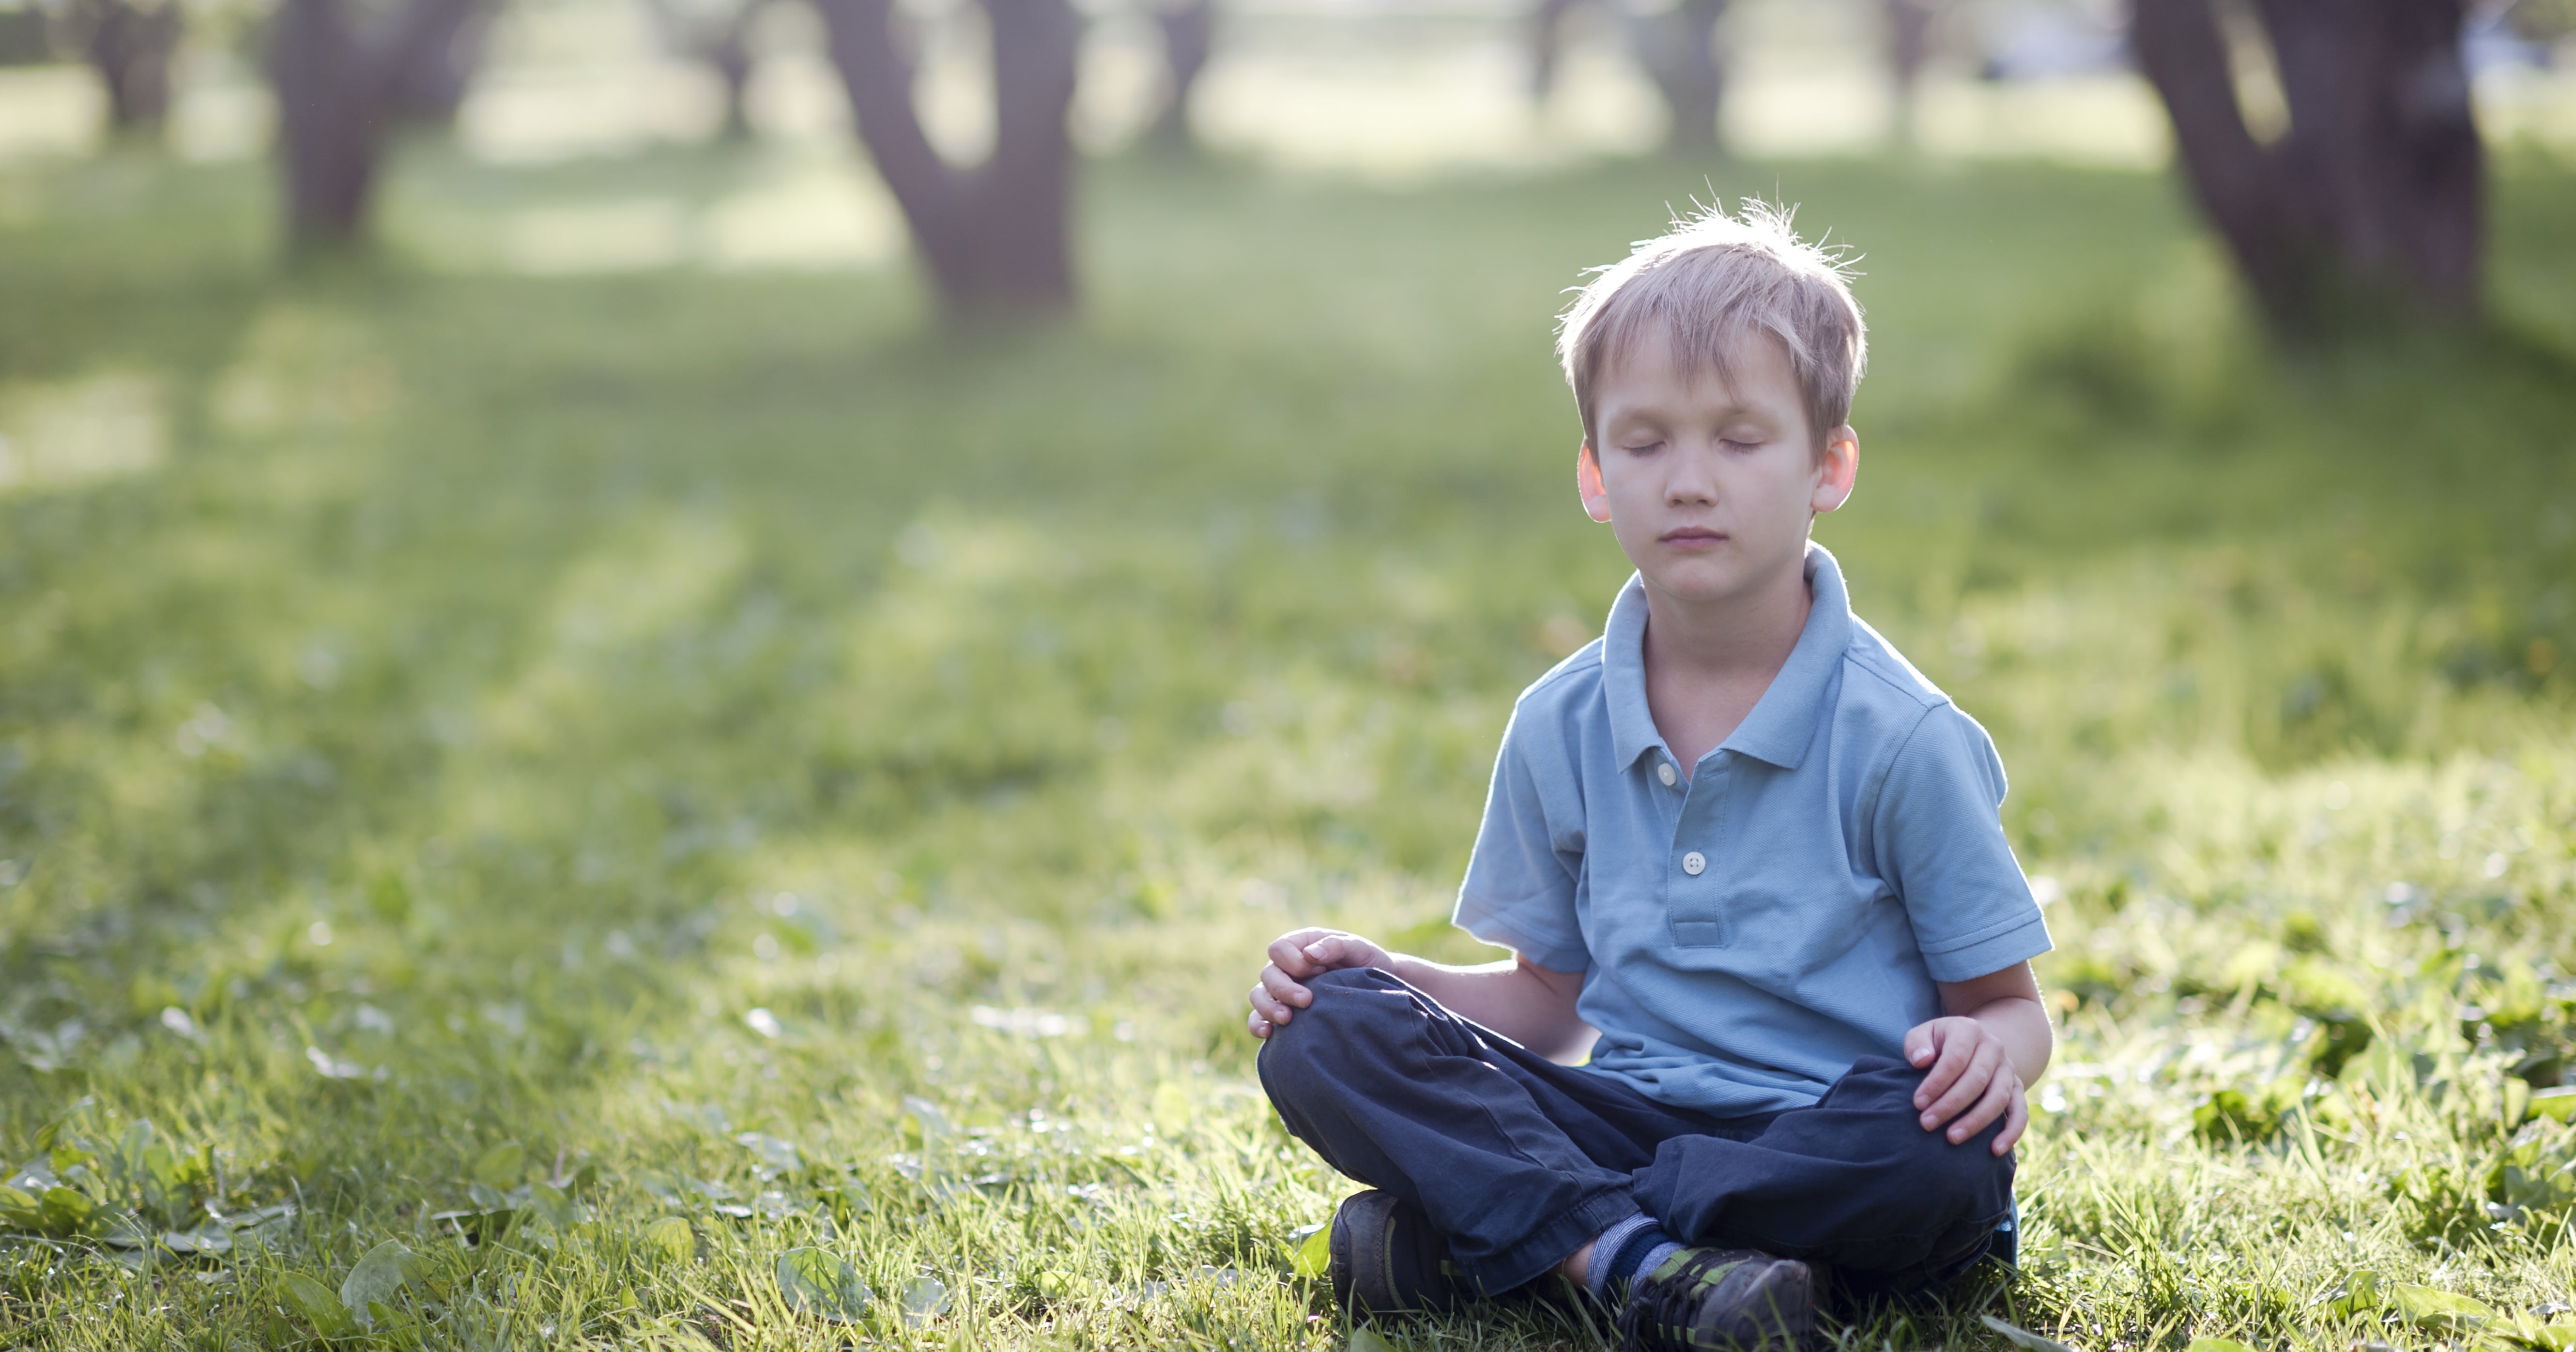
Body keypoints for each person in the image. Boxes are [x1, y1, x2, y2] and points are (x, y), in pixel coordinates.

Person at [1246, 202, 2055, 1351]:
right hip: (1615, 1115)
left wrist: (1990, 1054)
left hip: (1821, 1135)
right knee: (1324, 1027)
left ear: (1828, 466)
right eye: (1644, 442)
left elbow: (2009, 1013)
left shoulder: (1902, 738)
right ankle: (1644, 1265)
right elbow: (1544, 1003)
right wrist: (1396, 976)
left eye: (1738, 439)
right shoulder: (1558, 722)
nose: (1688, 481)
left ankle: (1530, 1241)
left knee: (1937, 1153)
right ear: (1592, 474)